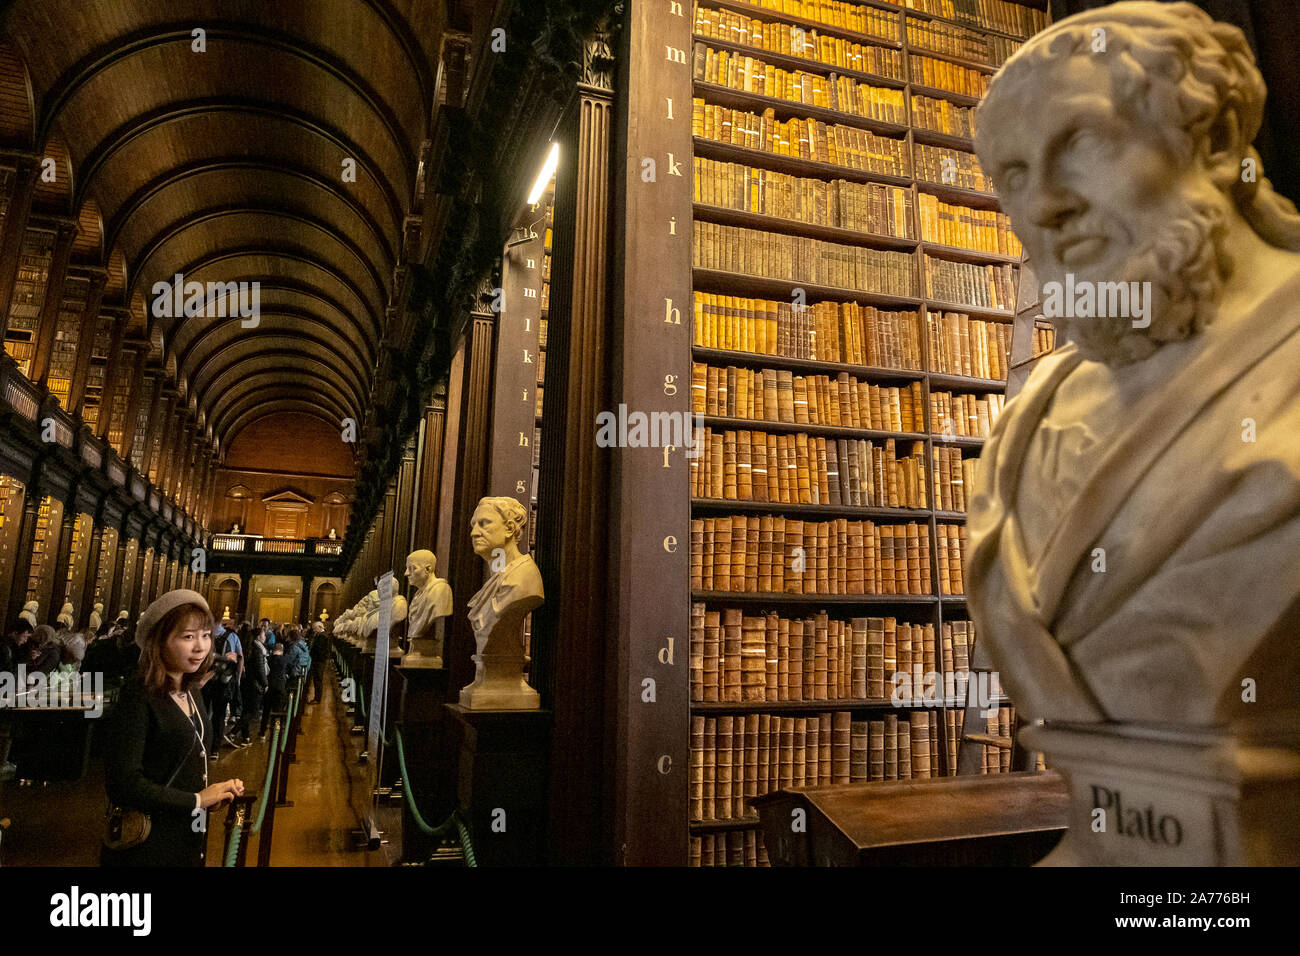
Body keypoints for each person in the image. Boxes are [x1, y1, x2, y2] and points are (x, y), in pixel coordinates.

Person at [101, 590, 243, 867]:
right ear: (159, 641)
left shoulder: (191, 691)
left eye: (205, 635)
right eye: (187, 637)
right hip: (148, 847)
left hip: (186, 841)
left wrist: (214, 794)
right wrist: (196, 800)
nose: (200, 647)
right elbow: (123, 783)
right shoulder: (139, 695)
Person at [234, 623, 266, 746]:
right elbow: (260, 669)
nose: (265, 637)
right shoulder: (258, 650)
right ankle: (233, 732)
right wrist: (265, 683)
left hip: (246, 682)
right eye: (263, 635)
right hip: (254, 683)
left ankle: (245, 737)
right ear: (259, 637)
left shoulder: (248, 646)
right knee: (253, 711)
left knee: (246, 711)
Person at [260, 642, 288, 739]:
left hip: (269, 687)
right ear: (281, 650)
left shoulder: (269, 659)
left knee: (266, 711)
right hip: (280, 688)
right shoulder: (284, 660)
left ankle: (262, 732)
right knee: (278, 711)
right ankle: (276, 734)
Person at [308, 622, 329, 703]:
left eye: (315, 628)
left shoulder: (322, 636)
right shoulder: (320, 635)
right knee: (316, 679)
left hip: (319, 661)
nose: (314, 630)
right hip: (318, 660)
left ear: (319, 627)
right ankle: (316, 698)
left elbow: (319, 649)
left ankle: (317, 699)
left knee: (318, 679)